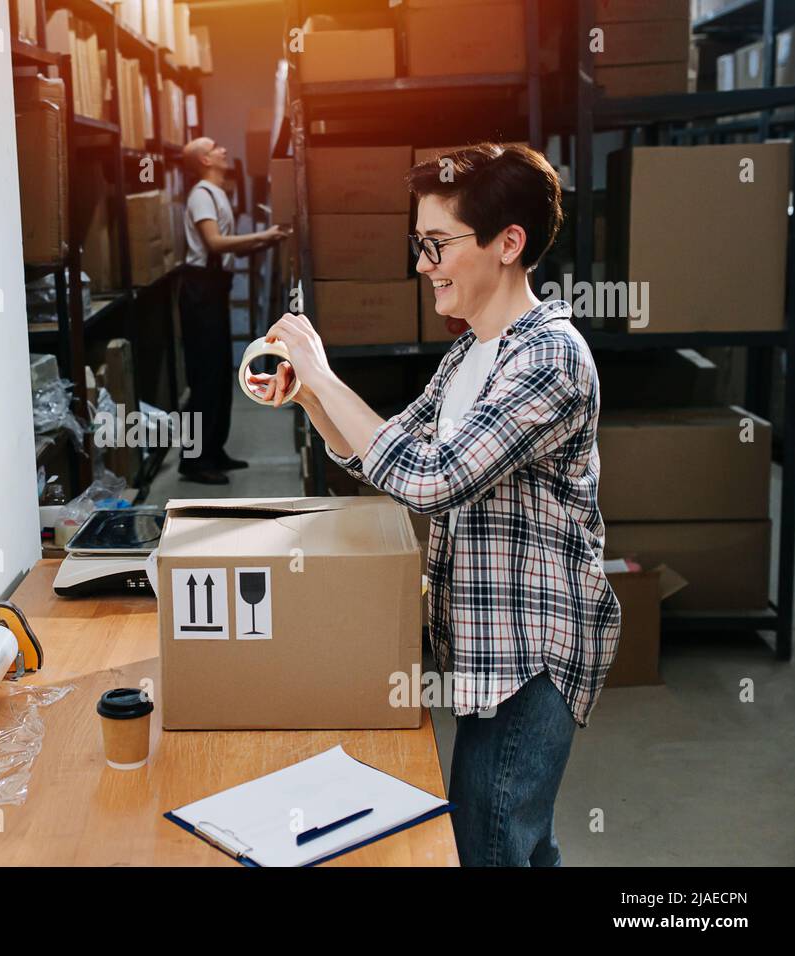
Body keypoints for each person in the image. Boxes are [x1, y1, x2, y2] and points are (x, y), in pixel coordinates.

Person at [247, 143, 620, 867]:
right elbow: (379, 454)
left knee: (489, 849)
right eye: (419, 244)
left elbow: (432, 478)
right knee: (515, 848)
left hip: (528, 659)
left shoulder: (550, 358)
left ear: (508, 243)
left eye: (438, 244)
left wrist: (326, 372)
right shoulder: (468, 354)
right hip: (482, 652)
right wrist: (311, 391)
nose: (422, 264)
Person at [178, 136, 290, 485]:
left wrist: (265, 240)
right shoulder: (201, 195)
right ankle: (194, 461)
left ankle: (214, 450)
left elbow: (228, 252)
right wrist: (262, 236)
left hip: (213, 287)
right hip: (199, 289)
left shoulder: (217, 193)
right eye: (216, 147)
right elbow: (214, 243)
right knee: (204, 378)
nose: (224, 149)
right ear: (204, 160)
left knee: (219, 376)